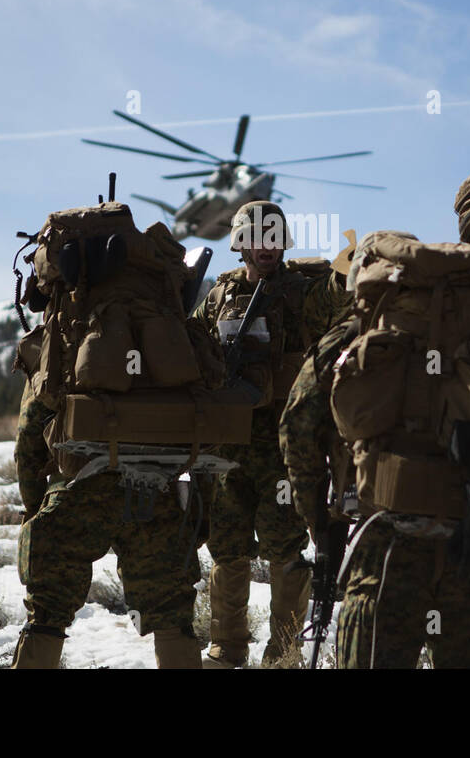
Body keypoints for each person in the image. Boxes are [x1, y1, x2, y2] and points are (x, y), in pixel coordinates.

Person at [192, 200, 349, 667]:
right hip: (229, 445)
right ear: (241, 241)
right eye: (259, 237)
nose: (268, 246)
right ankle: (227, 645)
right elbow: (193, 348)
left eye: (276, 236)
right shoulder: (219, 296)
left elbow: (339, 301)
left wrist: (349, 268)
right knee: (227, 548)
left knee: (285, 549)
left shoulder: (302, 293)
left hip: (284, 447)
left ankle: (283, 652)